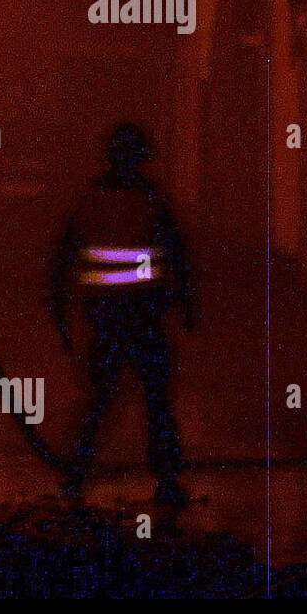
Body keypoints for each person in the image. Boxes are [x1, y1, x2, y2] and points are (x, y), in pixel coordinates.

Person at [51, 122, 194, 507]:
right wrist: (186, 305)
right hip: (144, 316)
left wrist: (61, 315)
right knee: (156, 403)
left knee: (99, 402)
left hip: (106, 318)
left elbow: (65, 258)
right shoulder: (152, 202)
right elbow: (177, 255)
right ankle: (165, 481)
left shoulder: (90, 201)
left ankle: (75, 477)